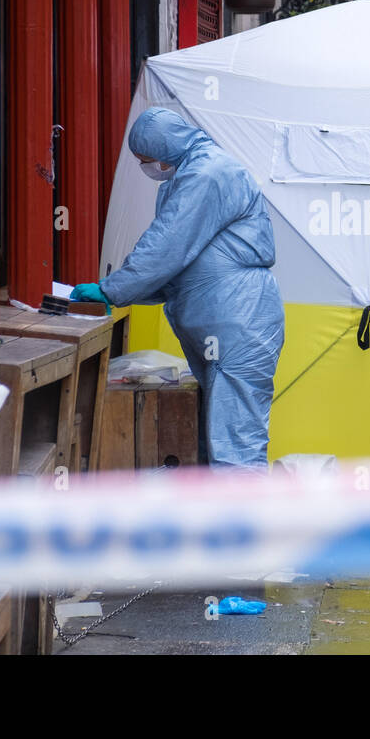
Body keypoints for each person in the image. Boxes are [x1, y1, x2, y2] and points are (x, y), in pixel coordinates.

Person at [69, 108, 284, 470]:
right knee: (223, 441)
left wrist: (112, 290)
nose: (147, 168)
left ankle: (247, 525)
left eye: (147, 160)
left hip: (238, 325)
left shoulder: (208, 174)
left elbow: (166, 246)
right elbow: (177, 267)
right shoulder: (187, 176)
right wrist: (123, 291)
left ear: (164, 148)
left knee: (236, 449)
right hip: (227, 326)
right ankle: (226, 521)